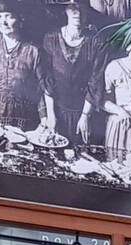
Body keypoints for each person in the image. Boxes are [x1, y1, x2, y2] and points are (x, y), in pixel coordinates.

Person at [0, 0, 53, 136]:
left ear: (21, 19)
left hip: (24, 121)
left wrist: (45, 119)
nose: (3, 22)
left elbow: (41, 87)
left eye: (8, 16)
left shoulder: (33, 50)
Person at [40, 3, 105, 147]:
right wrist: (50, 114)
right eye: (73, 8)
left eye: (82, 8)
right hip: (57, 111)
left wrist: (85, 116)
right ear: (66, 10)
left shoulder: (96, 42)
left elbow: (96, 81)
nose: (78, 13)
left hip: (85, 114)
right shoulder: (51, 39)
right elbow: (47, 79)